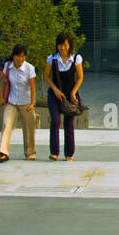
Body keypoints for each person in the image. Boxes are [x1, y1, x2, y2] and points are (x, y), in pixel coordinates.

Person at [46, 32, 84, 161]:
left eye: (65, 45)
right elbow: (46, 77)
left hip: (69, 95)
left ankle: (69, 153)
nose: (62, 48)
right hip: (55, 95)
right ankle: (54, 152)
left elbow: (80, 77)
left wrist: (74, 92)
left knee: (69, 124)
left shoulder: (75, 59)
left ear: (69, 46)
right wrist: (55, 90)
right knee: (55, 120)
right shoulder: (52, 59)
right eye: (60, 45)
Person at [0, 44, 36, 162]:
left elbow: (33, 87)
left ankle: (30, 153)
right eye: (18, 56)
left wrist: (33, 103)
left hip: (26, 102)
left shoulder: (29, 68)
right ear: (13, 56)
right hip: (12, 101)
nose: (21, 59)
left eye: (23, 56)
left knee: (29, 127)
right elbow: (4, 82)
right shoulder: (8, 67)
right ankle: (4, 152)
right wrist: (0, 97)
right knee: (6, 123)